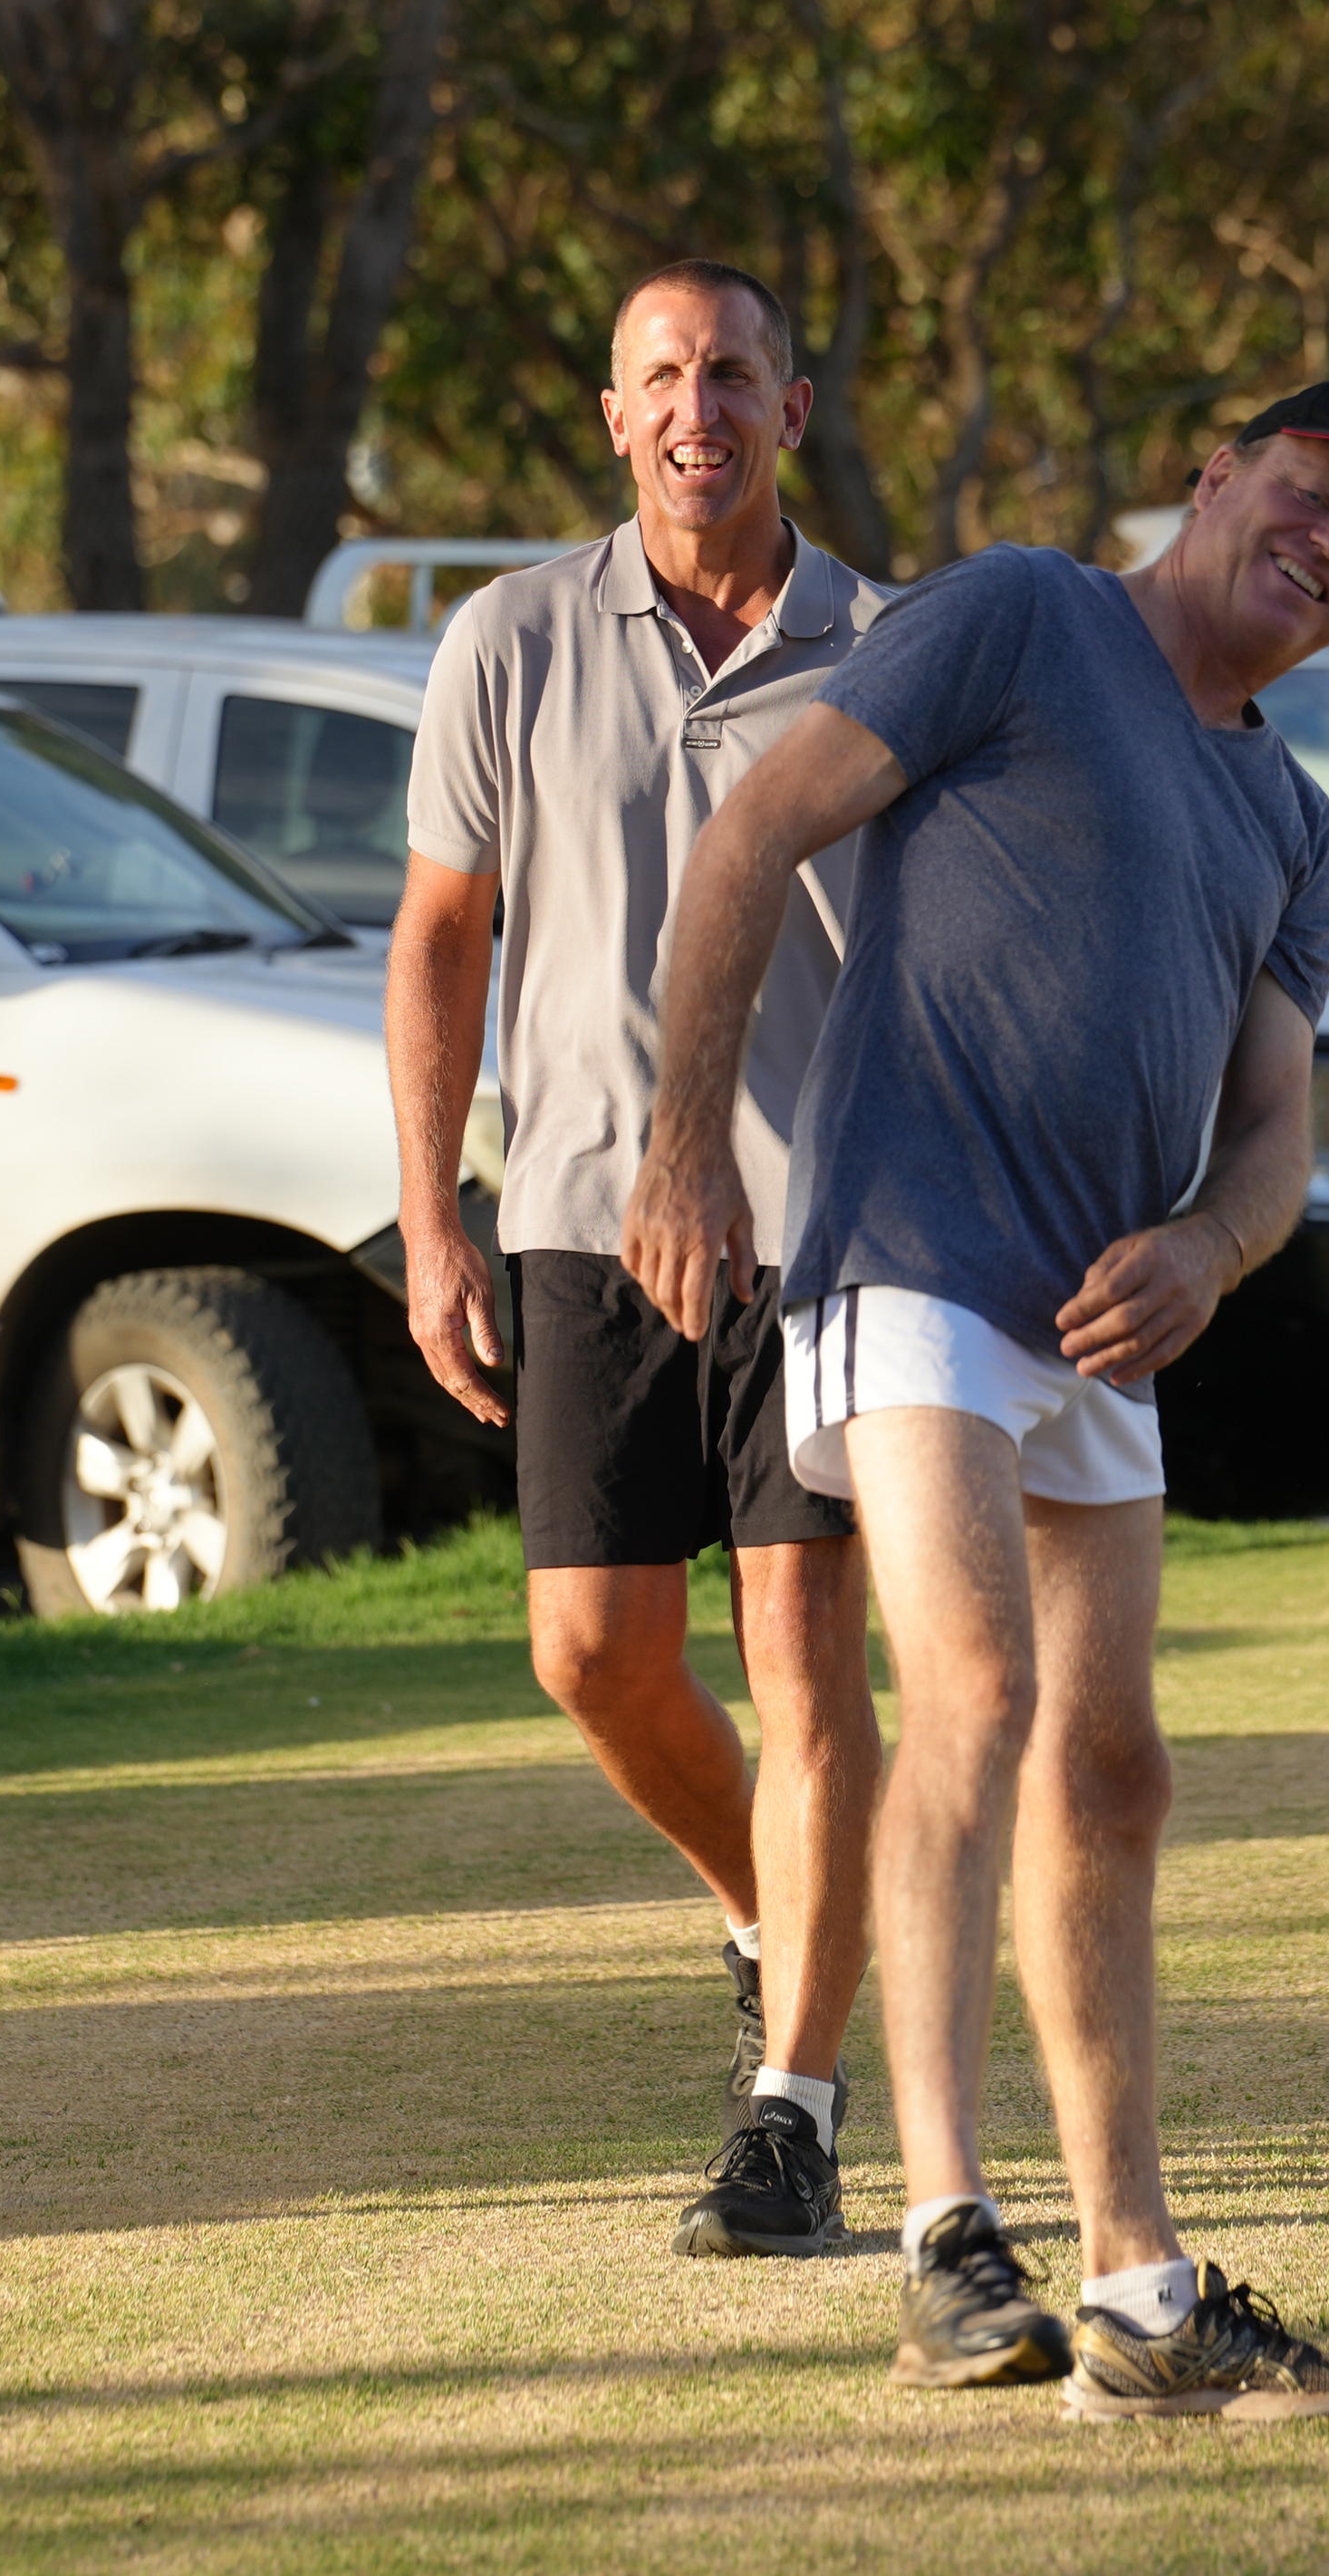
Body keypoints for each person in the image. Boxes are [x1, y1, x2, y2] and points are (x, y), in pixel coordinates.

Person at [622, 381, 1329, 2418]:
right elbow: (752, 828)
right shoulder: (1019, 614)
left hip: (1099, 1321)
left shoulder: (1288, 820)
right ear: (1214, 476)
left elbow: (1274, 1129)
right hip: (910, 1248)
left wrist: (1211, 1250)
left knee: (1116, 1766)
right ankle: (944, 2240)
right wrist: (685, 1141)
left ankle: (1142, 2296)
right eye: (1309, 495)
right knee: (974, 1690)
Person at [389, 262, 891, 2257]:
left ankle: (796, 2113)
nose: (701, 407)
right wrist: (431, 1210)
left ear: (791, 404)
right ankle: (773, 1911)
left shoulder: (889, 647)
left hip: (823, 1232)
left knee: (805, 1663)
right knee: (589, 1652)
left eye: (734, 372)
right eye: (663, 376)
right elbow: (442, 934)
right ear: (615, 415)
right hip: (582, 1221)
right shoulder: (507, 638)